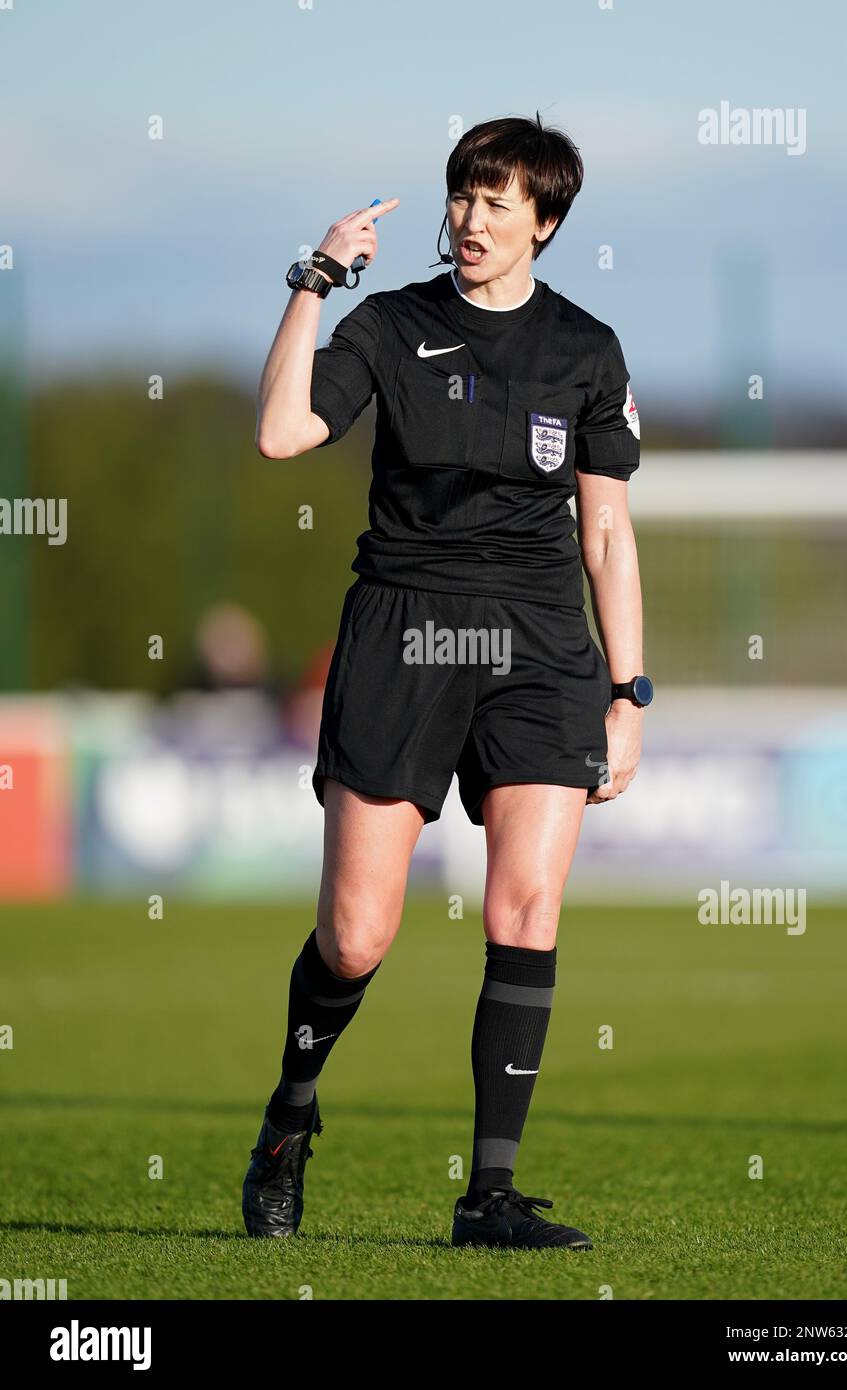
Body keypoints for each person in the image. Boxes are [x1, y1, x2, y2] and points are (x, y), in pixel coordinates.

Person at [244, 113, 652, 1250]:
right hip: (405, 630)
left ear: (546, 224)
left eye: (498, 202)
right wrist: (314, 279)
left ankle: (489, 1195)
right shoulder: (390, 321)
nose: (471, 220)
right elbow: (282, 432)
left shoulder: (586, 349)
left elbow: (608, 536)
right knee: (357, 935)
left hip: (537, 645)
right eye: (464, 196)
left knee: (525, 907)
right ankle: (289, 1115)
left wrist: (628, 690)